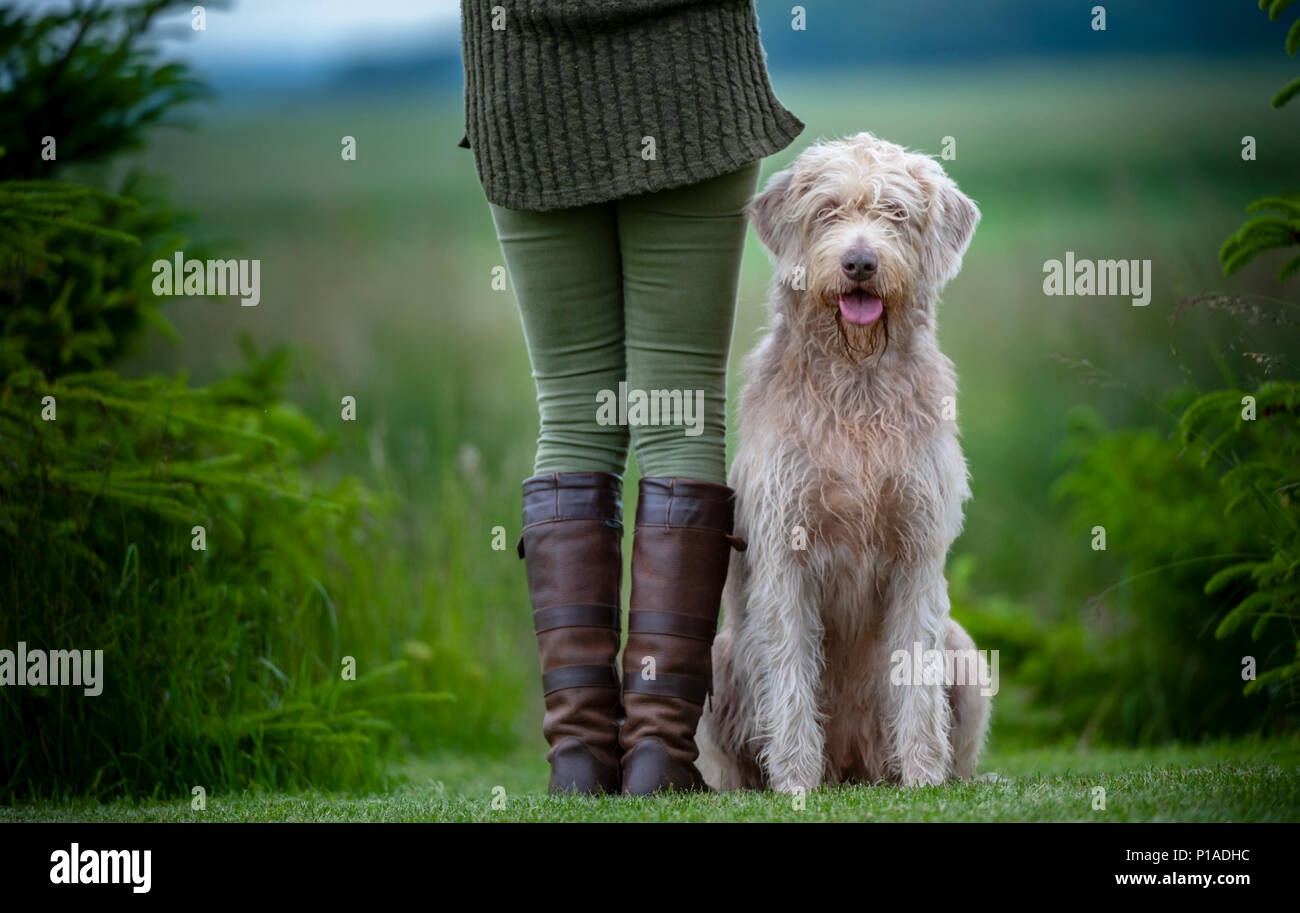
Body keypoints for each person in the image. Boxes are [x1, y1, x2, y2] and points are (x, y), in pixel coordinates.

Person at [459, 0, 803, 795]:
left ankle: (577, 760)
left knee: (573, 414)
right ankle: (657, 757)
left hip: (528, 87)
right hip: (687, 83)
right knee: (680, 414)